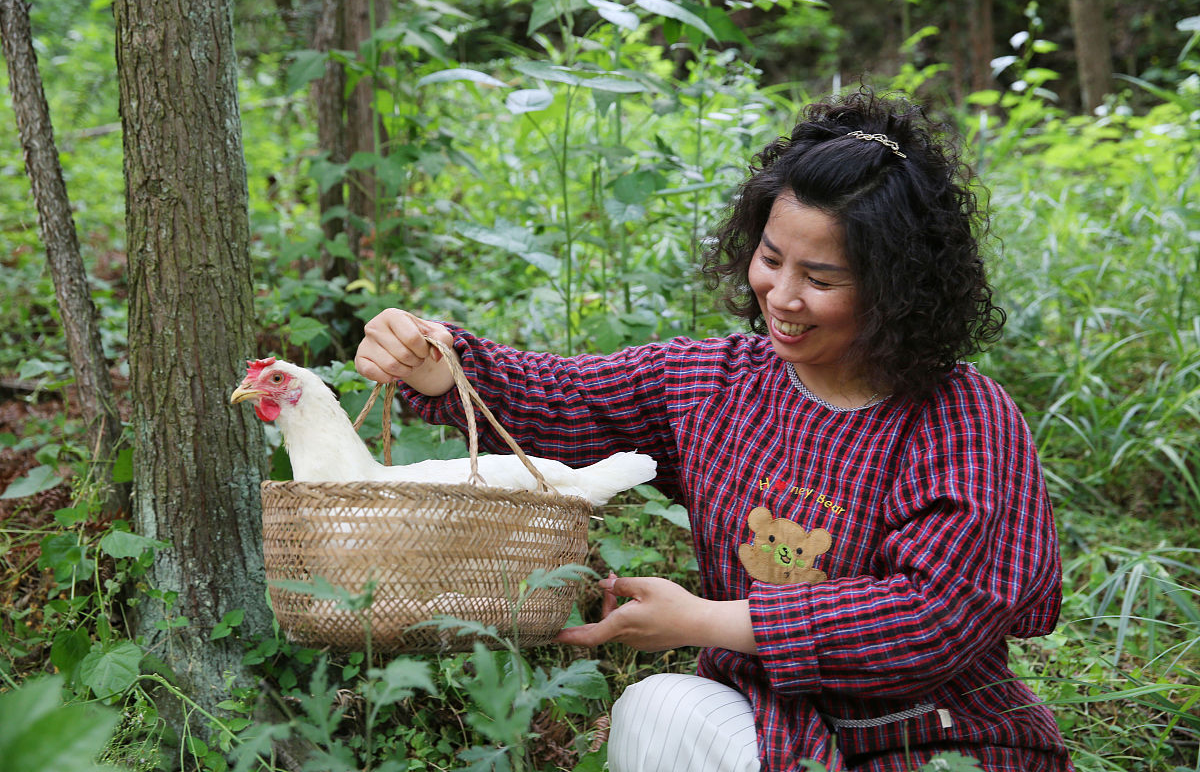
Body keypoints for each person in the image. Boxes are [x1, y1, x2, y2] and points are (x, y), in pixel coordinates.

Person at [354, 88, 1073, 772]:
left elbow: (933, 619)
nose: (782, 297)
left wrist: (704, 621)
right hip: (771, 728)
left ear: (897, 288)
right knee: (659, 709)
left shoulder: (963, 418)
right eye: (770, 258)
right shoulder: (713, 381)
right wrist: (438, 366)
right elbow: (568, 400)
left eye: (821, 279)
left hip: (942, 742)